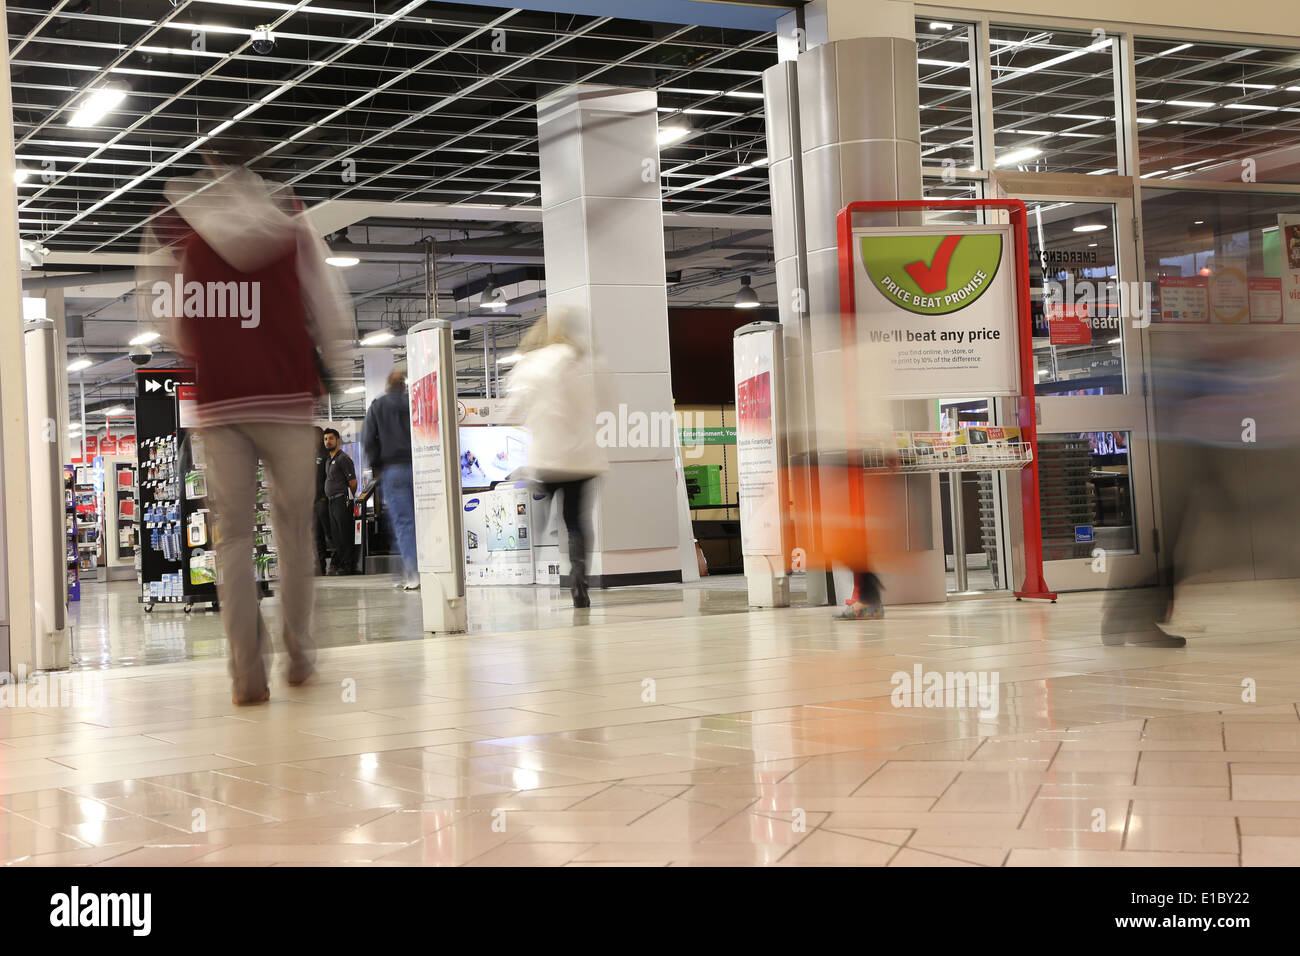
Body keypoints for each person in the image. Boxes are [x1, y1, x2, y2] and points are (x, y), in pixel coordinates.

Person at [139, 130, 353, 705]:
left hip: (221, 398)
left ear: (208, 157)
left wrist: (199, 345)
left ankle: (246, 674)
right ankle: (300, 652)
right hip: (286, 396)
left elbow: (155, 300)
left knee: (231, 538)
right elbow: (326, 298)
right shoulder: (289, 211)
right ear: (260, 157)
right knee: (294, 533)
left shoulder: (175, 215)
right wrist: (335, 364)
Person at [504, 314, 607, 608]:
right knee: (575, 522)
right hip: (583, 458)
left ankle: (526, 573)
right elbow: (605, 402)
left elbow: (511, 409)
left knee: (540, 515)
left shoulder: (530, 364)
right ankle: (580, 585)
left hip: (548, 457)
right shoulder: (583, 362)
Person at [362, 369, 418, 590]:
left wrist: (376, 467)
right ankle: (425, 570)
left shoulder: (377, 406)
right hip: (420, 467)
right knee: (422, 521)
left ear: (387, 385)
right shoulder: (413, 404)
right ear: (404, 385)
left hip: (393, 470)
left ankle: (412, 573)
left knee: (403, 523)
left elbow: (368, 439)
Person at [322, 427, 357, 575]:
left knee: (345, 533)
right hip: (331, 502)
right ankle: (341, 563)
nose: (327, 441)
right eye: (325, 439)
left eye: (330, 438)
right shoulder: (329, 460)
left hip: (342, 500)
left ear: (337, 440)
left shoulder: (343, 458)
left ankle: (348, 565)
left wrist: (347, 500)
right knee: (336, 536)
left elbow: (353, 482)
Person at [312, 426, 332, 576]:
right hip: (311, 502)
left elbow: (330, 478)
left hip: (323, 501)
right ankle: (321, 566)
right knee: (316, 535)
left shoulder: (326, 455)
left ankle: (337, 563)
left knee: (330, 533)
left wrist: (325, 495)